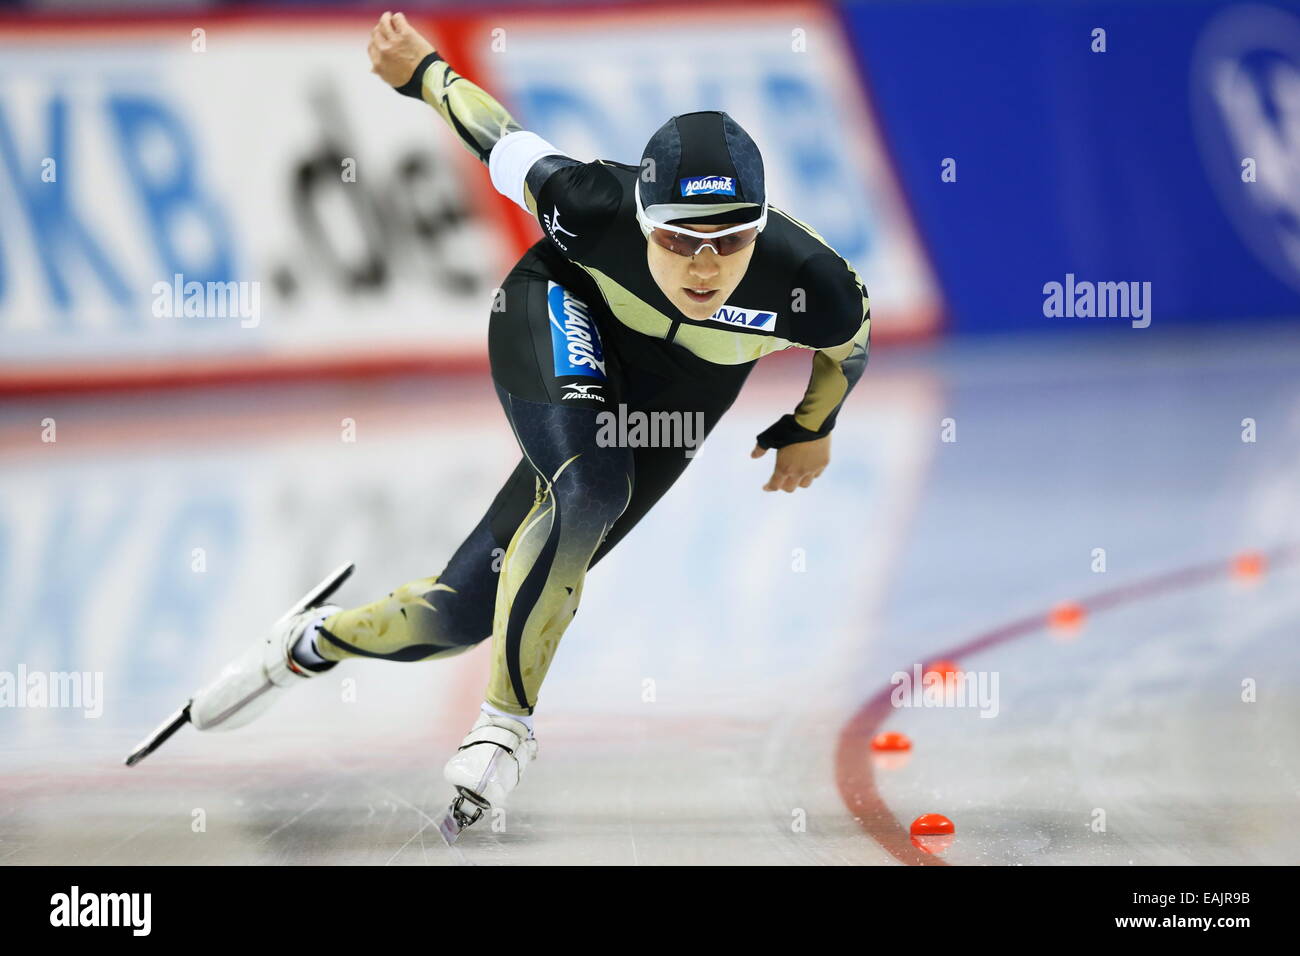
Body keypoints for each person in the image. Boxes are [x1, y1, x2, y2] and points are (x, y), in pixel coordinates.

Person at [148, 12, 871, 834]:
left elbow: (846, 352)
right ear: (641, 219)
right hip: (560, 311)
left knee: (458, 614)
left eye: (730, 239)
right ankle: (504, 727)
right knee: (590, 484)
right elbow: (501, 137)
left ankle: (310, 643)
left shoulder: (812, 280)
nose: (704, 266)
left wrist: (813, 427)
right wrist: (422, 71)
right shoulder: (590, 202)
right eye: (677, 237)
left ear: (761, 226)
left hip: (677, 405)